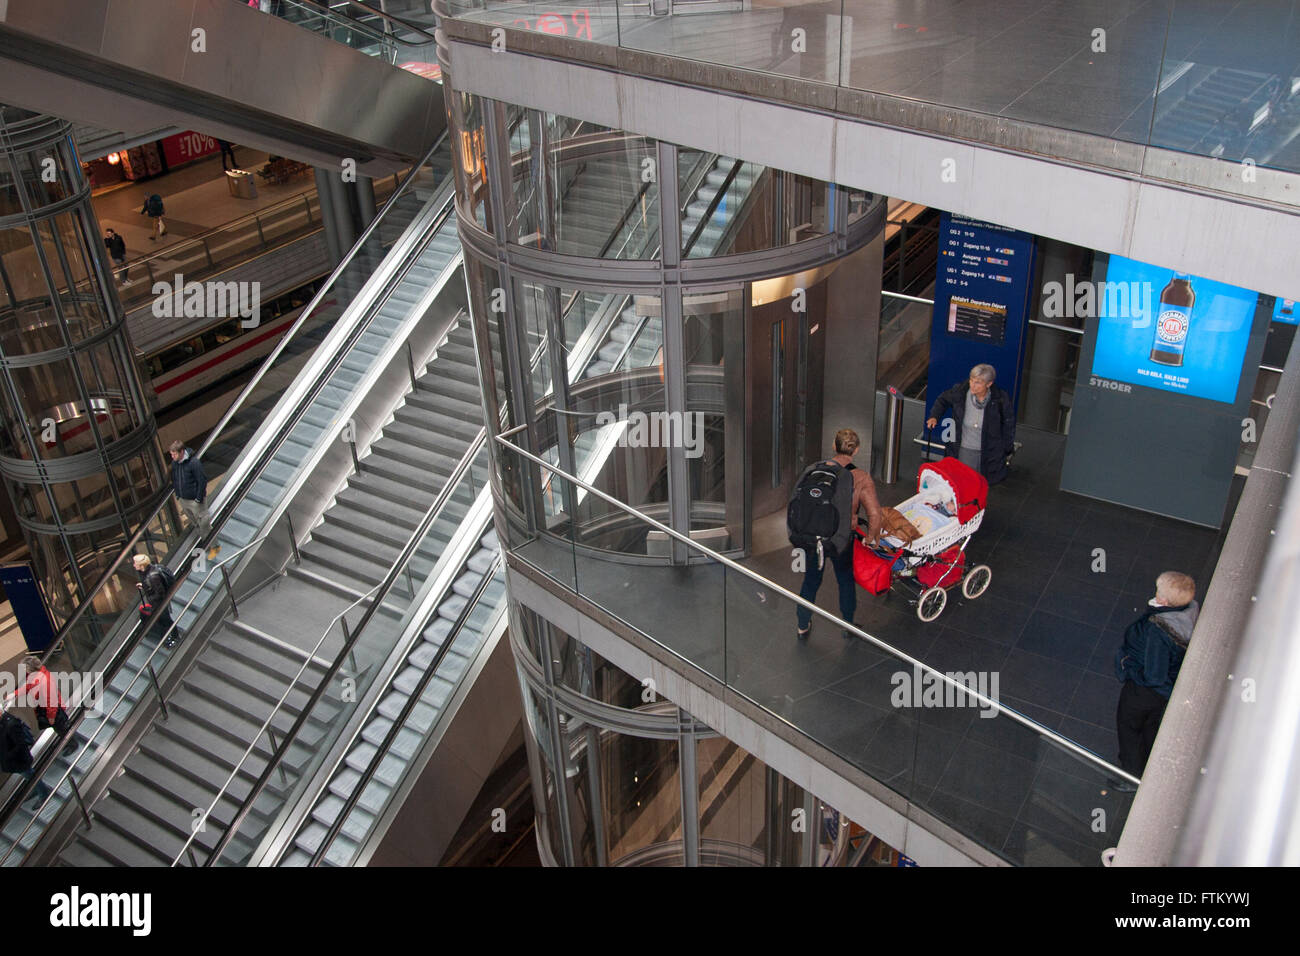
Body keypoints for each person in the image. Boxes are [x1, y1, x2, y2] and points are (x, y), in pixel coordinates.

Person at [793, 428, 884, 641]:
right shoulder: (861, 477)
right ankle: (848, 625)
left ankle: (802, 624)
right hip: (842, 539)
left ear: (834, 446)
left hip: (813, 537)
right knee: (845, 580)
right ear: (857, 450)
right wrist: (872, 538)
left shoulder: (813, 469)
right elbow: (875, 513)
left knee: (811, 581)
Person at [1112, 571, 1199, 786]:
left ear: (1165, 600)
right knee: (1149, 725)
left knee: (1128, 726)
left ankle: (1130, 776)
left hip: (1144, 692)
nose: (1156, 593)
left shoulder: (1157, 630)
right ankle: (1147, 762)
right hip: (1162, 693)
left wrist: (1127, 668)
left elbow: (1154, 675)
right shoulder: (1188, 610)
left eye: (1159, 591)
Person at [925, 364, 1016, 484]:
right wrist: (934, 416)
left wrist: (1006, 447)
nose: (972, 385)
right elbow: (943, 399)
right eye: (971, 380)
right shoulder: (960, 392)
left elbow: (1009, 424)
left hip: (989, 451)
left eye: (978, 382)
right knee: (963, 482)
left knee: (982, 484)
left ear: (989, 384)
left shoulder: (1000, 399)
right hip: (965, 449)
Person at [169, 440, 220, 560]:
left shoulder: (194, 463)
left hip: (195, 500)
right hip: (183, 499)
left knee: (204, 524)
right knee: (196, 524)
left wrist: (198, 498)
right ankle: (205, 542)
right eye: (171, 454)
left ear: (181, 452)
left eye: (174, 454)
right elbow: (175, 479)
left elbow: (202, 480)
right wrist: (178, 495)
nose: (172, 457)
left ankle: (214, 546)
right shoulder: (175, 464)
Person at [3, 656, 70, 736]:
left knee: (61, 727)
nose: (23, 670)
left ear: (30, 668)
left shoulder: (45, 682)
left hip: (53, 711)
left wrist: (51, 717)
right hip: (44, 707)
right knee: (58, 727)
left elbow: (51, 703)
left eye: (24, 668)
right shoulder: (34, 676)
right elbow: (29, 686)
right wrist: (15, 693)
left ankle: (71, 743)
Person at [0, 711, 51, 804]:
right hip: (13, 759)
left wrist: (9, 755)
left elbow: (20, 744)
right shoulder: (4, 723)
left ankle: (43, 794)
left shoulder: (10, 725)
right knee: (27, 776)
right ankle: (36, 789)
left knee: (30, 775)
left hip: (19, 759)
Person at [134, 554, 181, 648]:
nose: (134, 565)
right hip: (157, 603)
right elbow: (152, 586)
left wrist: (152, 600)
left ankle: (174, 637)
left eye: (135, 563)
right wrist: (144, 586)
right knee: (163, 620)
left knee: (165, 620)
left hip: (159, 604)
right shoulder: (148, 573)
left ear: (141, 565)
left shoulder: (152, 576)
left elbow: (159, 592)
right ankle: (171, 637)